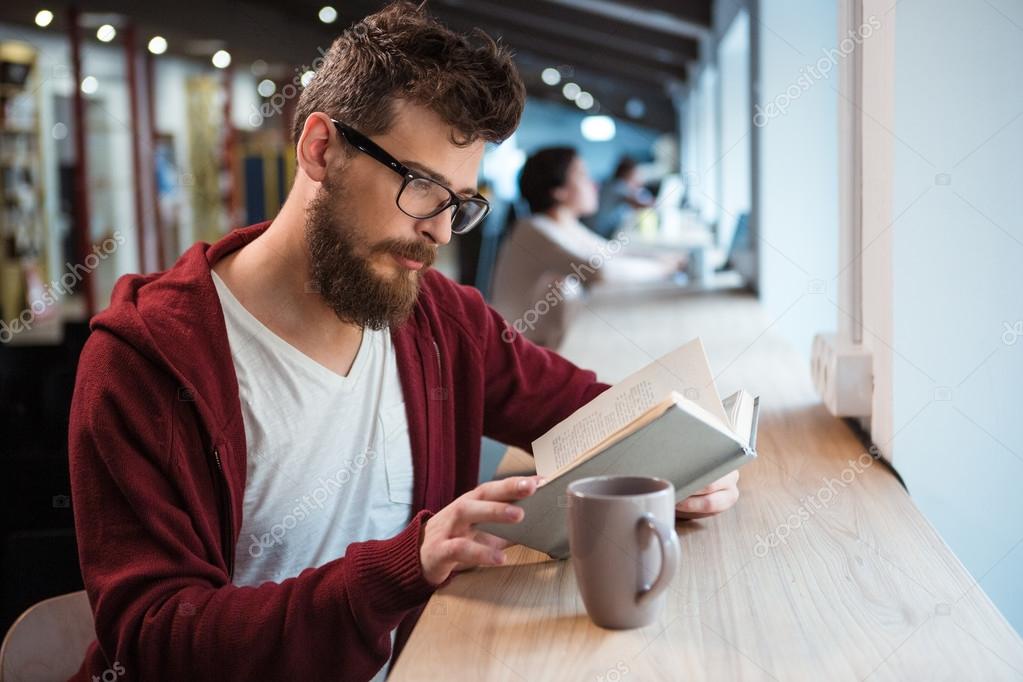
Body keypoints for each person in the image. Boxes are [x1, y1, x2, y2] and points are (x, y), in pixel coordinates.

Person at [67, 4, 740, 681]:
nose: (443, 233)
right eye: (421, 186)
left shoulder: (438, 318)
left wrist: (684, 462)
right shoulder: (146, 363)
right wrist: (399, 570)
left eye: (462, 203)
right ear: (320, 149)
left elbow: (593, 413)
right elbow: (152, 642)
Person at [491, 147, 685, 348]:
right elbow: (599, 271)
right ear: (558, 191)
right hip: (522, 352)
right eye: (582, 175)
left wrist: (666, 258)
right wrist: (665, 268)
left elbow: (612, 251)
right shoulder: (534, 229)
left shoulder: (565, 224)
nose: (593, 184)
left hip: (546, 344)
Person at [588, 155, 655, 238]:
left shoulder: (612, 183)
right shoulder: (618, 186)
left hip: (601, 229)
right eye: (636, 173)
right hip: (601, 231)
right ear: (628, 173)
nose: (638, 176)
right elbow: (638, 204)